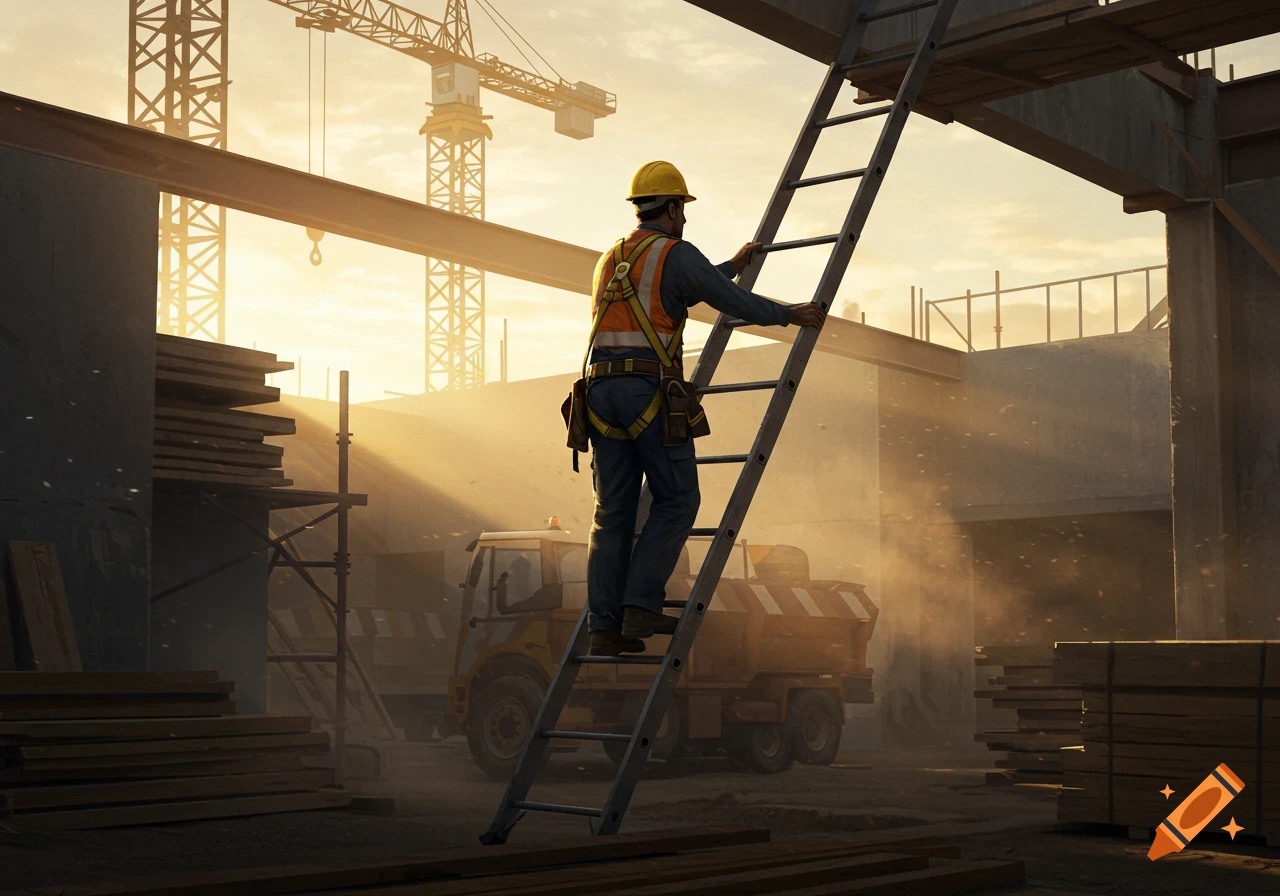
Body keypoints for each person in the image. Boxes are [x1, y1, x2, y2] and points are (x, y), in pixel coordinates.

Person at [584, 160, 826, 656]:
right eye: (683, 210)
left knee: (612, 514)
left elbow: (688, 287)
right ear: (672, 208)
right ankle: (640, 605)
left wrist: (731, 265)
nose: (685, 219)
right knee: (676, 501)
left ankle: (604, 625)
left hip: (599, 394)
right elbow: (727, 301)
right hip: (645, 393)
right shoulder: (674, 252)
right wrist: (787, 315)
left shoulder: (611, 259)